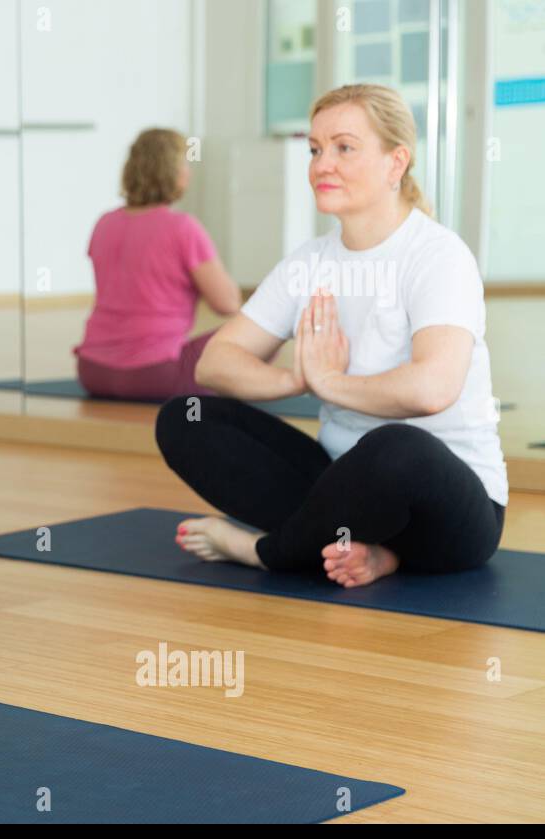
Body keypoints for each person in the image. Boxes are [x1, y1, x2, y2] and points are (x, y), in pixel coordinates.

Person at [155, 84, 507, 588]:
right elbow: (215, 362)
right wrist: (295, 378)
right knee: (184, 418)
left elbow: (433, 390)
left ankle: (265, 552)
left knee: (396, 448)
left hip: (448, 509)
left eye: (344, 147)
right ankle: (366, 548)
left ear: (395, 163)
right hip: (339, 488)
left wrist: (330, 382)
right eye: (315, 150)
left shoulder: (437, 256)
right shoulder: (309, 261)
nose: (322, 165)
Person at [75, 128, 241, 401]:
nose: (188, 172)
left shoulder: (104, 223)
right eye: (185, 165)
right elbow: (227, 304)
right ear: (174, 173)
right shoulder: (183, 228)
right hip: (155, 376)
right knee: (262, 329)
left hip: (93, 372)